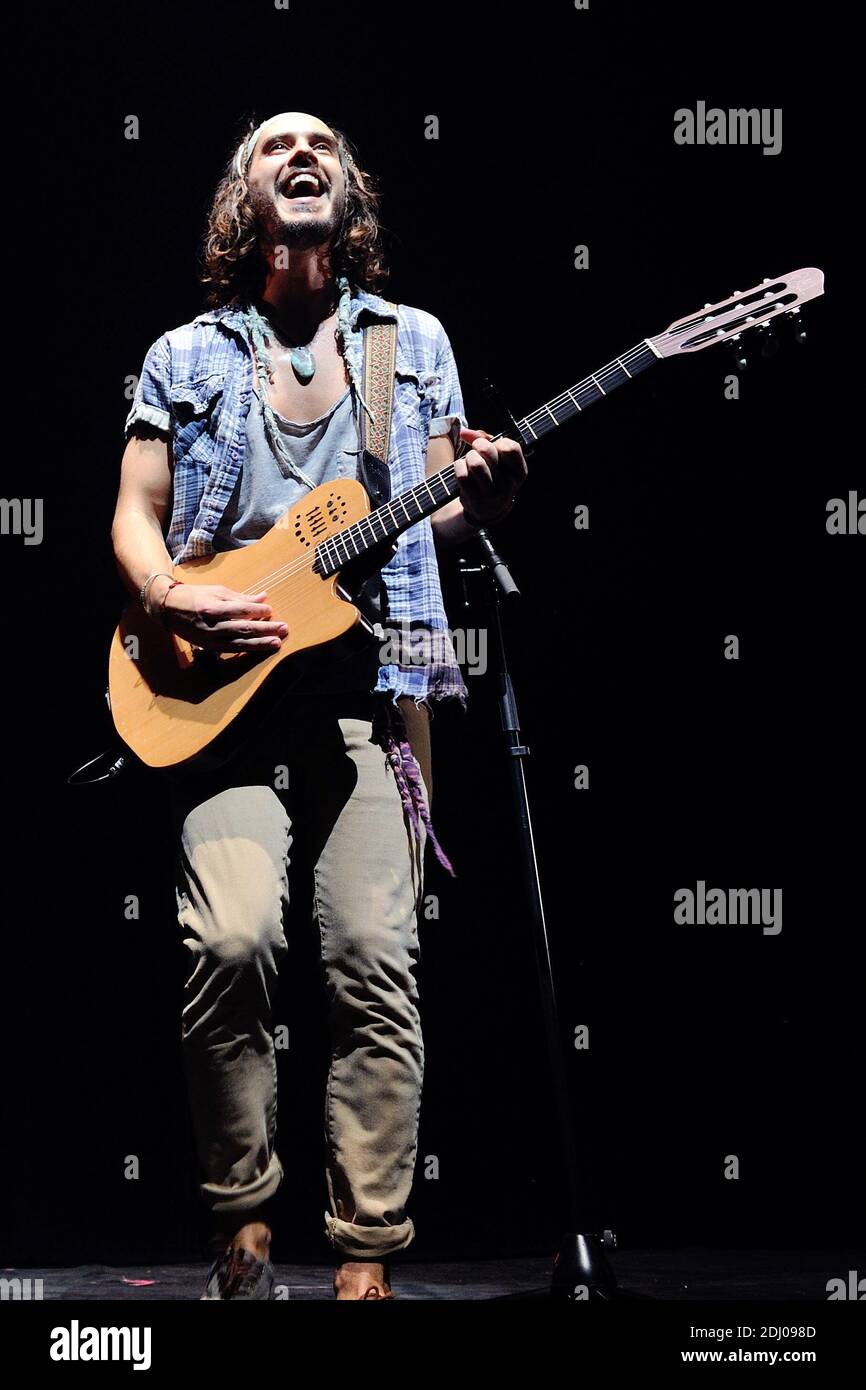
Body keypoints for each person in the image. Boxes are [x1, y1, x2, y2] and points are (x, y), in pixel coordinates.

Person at [111, 111, 527, 1300]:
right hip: (226, 696)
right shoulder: (184, 356)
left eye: (325, 143)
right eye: (273, 144)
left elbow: (435, 502)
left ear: (350, 194)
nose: (303, 151)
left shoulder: (411, 344)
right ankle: (242, 1226)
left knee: (372, 955)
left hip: (374, 685)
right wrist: (168, 590)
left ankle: (364, 1258)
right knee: (233, 938)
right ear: (241, 200)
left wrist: (482, 499)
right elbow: (135, 508)